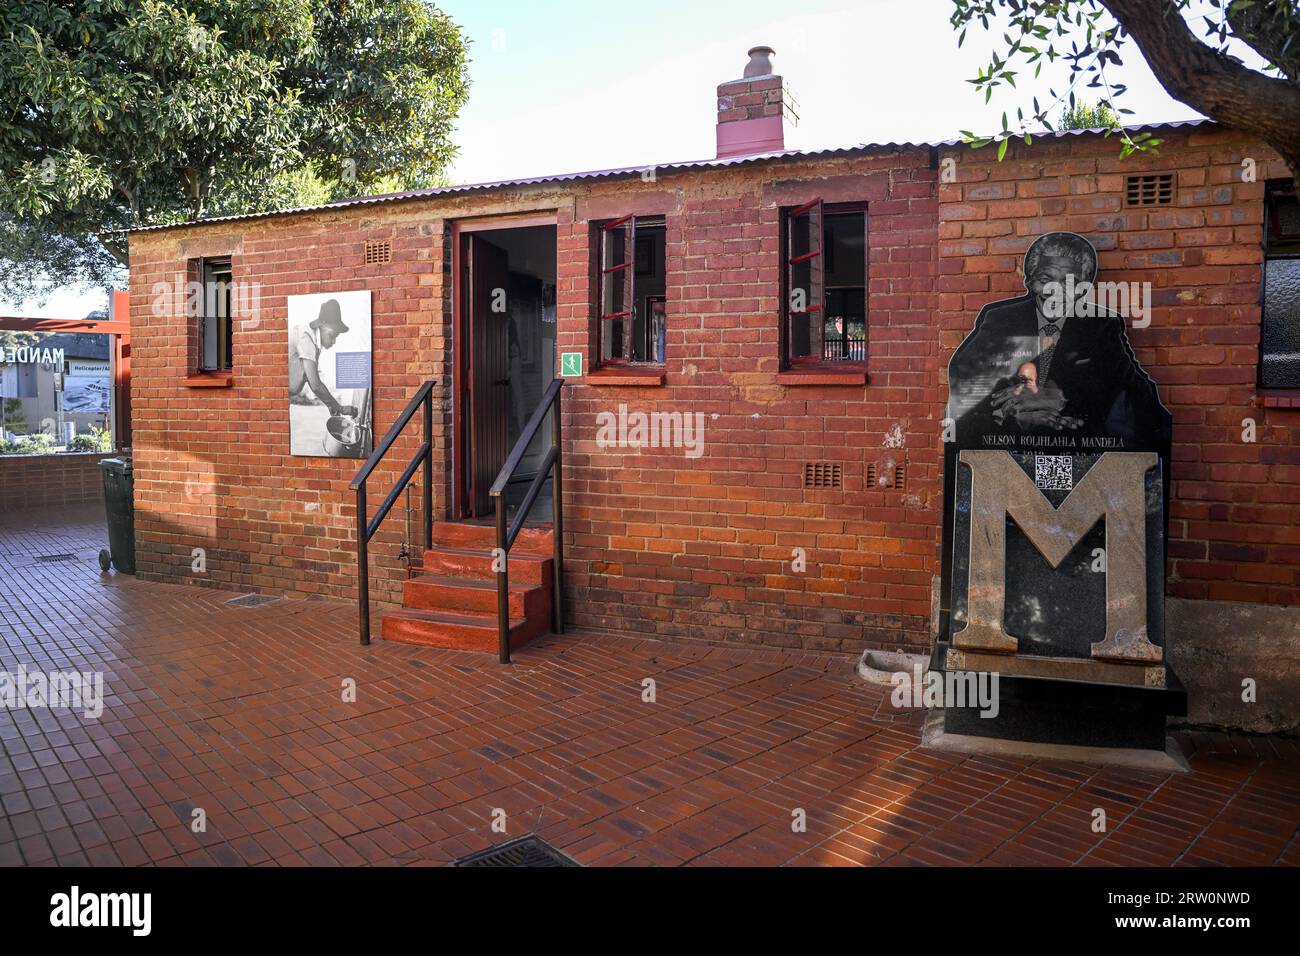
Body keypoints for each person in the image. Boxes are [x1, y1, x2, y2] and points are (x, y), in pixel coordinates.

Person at [288, 298, 358, 418]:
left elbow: (311, 379)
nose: (333, 342)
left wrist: (330, 405)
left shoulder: (313, 341)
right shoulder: (306, 339)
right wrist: (339, 408)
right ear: (322, 326)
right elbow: (316, 385)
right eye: (332, 336)